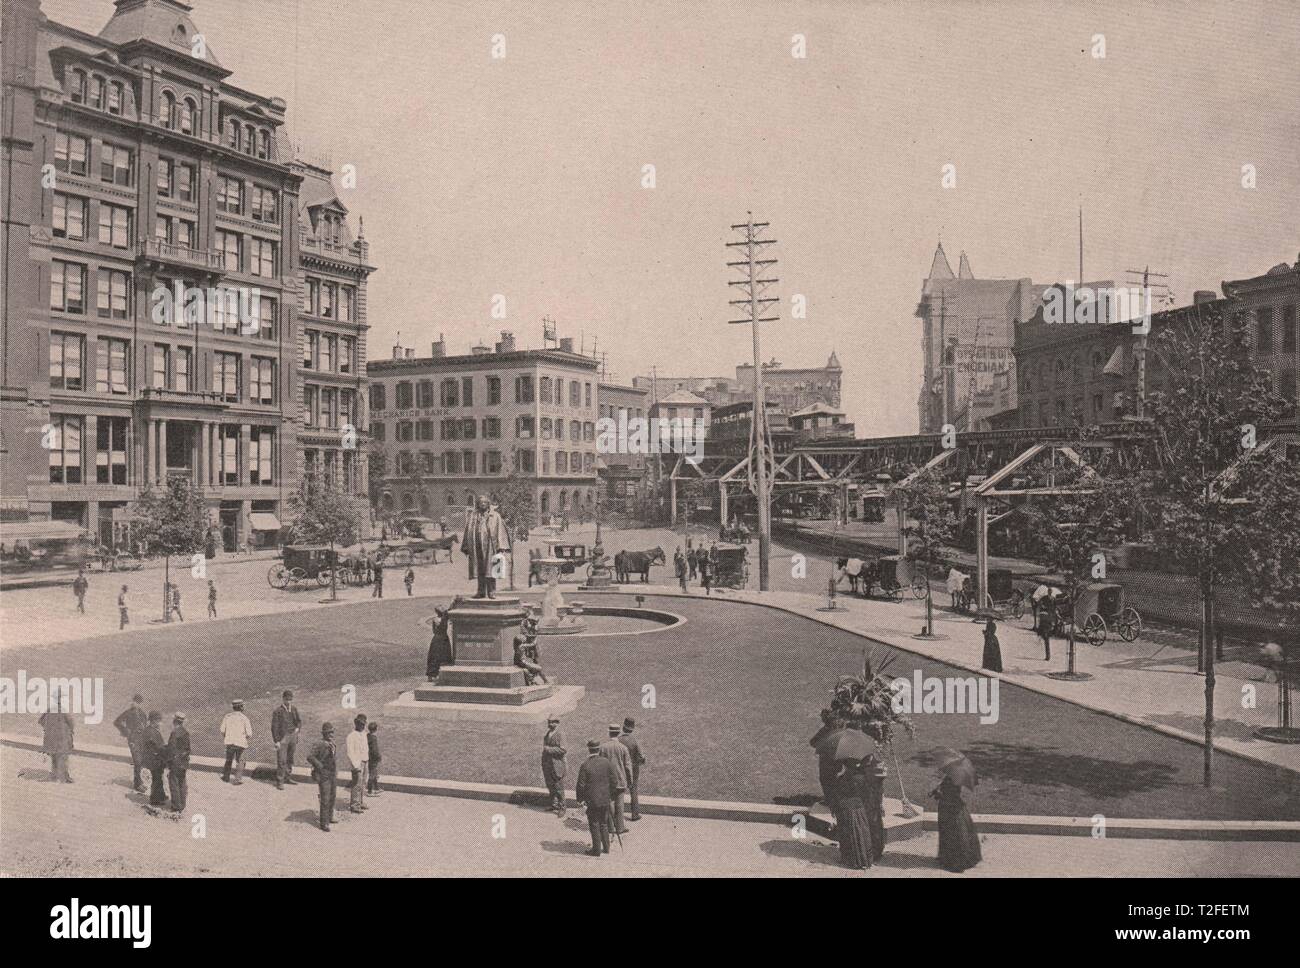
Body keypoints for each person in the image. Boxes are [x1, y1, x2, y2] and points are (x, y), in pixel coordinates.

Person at [461, 493, 513, 599]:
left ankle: (492, 591)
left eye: (485, 502)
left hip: (491, 546)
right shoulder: (473, 516)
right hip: (477, 546)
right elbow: (468, 531)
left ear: (488, 504)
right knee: (480, 570)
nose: (483, 504)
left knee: (492, 570)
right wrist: (466, 546)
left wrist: (501, 546)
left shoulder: (495, 516)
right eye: (480, 503)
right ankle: (480, 592)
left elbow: (501, 531)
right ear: (478, 504)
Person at [829, 760, 876, 869]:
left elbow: (837, 796)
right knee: (862, 833)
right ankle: (864, 860)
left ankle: (849, 859)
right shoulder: (862, 778)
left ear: (845, 766)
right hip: (859, 809)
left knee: (847, 834)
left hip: (845, 810)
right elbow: (867, 795)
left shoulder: (840, 779)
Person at [575, 739, 618, 857]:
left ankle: (596, 850)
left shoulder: (585, 765)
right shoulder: (606, 762)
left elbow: (581, 785)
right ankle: (606, 847)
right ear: (598, 749)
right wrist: (611, 795)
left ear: (589, 749)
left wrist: (580, 799)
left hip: (592, 801)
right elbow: (614, 781)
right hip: (605, 799)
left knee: (594, 823)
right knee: (603, 823)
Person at [932, 774, 982, 872]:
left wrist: (938, 794)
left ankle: (955, 861)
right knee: (956, 833)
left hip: (950, 809)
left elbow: (949, 794)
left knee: (953, 834)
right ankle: (950, 858)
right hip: (954, 807)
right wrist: (937, 790)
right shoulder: (951, 776)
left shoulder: (953, 778)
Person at [599, 723, 632, 835]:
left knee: (609, 804)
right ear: (618, 733)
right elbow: (628, 767)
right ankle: (620, 828)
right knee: (620, 804)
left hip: (608, 781)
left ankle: (610, 827)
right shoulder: (623, 748)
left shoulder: (603, 747)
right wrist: (630, 781)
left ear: (609, 733)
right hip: (620, 779)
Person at [307, 723, 339, 833]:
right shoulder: (319, 744)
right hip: (324, 774)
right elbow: (310, 757)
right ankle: (324, 822)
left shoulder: (333, 744)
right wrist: (320, 766)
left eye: (332, 732)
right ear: (324, 733)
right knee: (325, 799)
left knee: (332, 796)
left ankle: (330, 816)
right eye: (328, 733)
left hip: (332, 774)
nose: (331, 734)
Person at [113, 694, 149, 792]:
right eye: (134, 701)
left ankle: (139, 781)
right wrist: (126, 731)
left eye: (137, 702)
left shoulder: (143, 714)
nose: (134, 703)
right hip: (133, 740)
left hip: (141, 740)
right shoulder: (128, 713)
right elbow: (117, 722)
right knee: (137, 761)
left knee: (140, 761)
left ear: (140, 704)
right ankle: (137, 784)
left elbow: (145, 727)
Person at [40, 691, 75, 783]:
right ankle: (64, 777)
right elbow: (71, 723)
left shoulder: (49, 710)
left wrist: (49, 730)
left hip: (51, 738)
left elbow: (41, 721)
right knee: (63, 757)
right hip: (62, 738)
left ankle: (54, 776)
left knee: (54, 757)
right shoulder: (63, 710)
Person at [271, 690, 302, 790]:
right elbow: (274, 727)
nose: (288, 702)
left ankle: (288, 777)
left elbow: (299, 721)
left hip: (293, 736)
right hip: (283, 738)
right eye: (287, 699)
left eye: (290, 700)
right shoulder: (278, 711)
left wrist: (297, 728)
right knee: (282, 760)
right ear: (283, 699)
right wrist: (277, 741)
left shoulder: (293, 709)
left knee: (290, 759)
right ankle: (280, 781)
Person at [619, 718, 647, 822]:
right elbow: (641, 758)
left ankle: (617, 815)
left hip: (620, 769)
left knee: (619, 791)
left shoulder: (618, 740)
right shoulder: (634, 741)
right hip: (633, 769)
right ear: (632, 729)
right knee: (633, 790)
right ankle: (635, 814)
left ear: (623, 727)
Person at [220, 699, 252, 785]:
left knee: (228, 759)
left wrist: (227, 737)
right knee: (240, 761)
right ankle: (237, 779)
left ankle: (226, 777)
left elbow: (222, 730)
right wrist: (243, 738)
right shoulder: (245, 718)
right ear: (241, 707)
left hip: (229, 742)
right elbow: (249, 734)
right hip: (240, 743)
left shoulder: (227, 717)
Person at [142, 711, 169, 807]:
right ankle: (155, 799)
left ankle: (161, 796)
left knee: (158, 777)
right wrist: (166, 748)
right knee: (157, 778)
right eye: (159, 721)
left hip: (155, 758)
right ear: (154, 721)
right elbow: (155, 747)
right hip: (154, 759)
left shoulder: (150, 730)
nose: (160, 723)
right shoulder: (151, 732)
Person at [541, 716, 567, 817]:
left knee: (559, 787)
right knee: (550, 786)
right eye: (548, 722)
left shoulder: (560, 734)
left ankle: (562, 807)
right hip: (547, 765)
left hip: (557, 765)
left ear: (557, 723)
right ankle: (554, 804)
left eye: (551, 722)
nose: (549, 724)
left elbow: (563, 750)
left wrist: (549, 749)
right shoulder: (548, 734)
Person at [166, 713, 190, 812]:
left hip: (176, 762)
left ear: (174, 721)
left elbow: (171, 749)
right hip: (184, 762)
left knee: (174, 783)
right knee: (182, 783)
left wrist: (168, 761)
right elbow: (188, 749)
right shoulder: (185, 732)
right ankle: (182, 804)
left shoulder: (174, 733)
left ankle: (176, 806)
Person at [346, 714, 369, 813]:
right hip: (357, 763)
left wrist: (367, 760)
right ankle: (354, 804)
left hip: (365, 761)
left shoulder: (364, 734)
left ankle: (360, 801)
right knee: (356, 784)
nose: (362, 726)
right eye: (360, 724)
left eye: (363, 724)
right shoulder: (351, 736)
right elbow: (350, 752)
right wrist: (356, 766)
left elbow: (366, 748)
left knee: (363, 783)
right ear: (356, 723)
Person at [426, 606, 452, 681]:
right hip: (444, 639)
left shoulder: (435, 620)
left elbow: (434, 631)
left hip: (436, 639)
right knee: (445, 656)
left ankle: (431, 675)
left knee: (434, 656)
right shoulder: (445, 619)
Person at [1037, 592, 1056, 661]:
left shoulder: (1052, 599)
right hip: (1047, 621)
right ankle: (1048, 656)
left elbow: (1054, 608)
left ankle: (1048, 656)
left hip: (1047, 621)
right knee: (1046, 639)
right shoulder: (1046, 598)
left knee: (1046, 639)